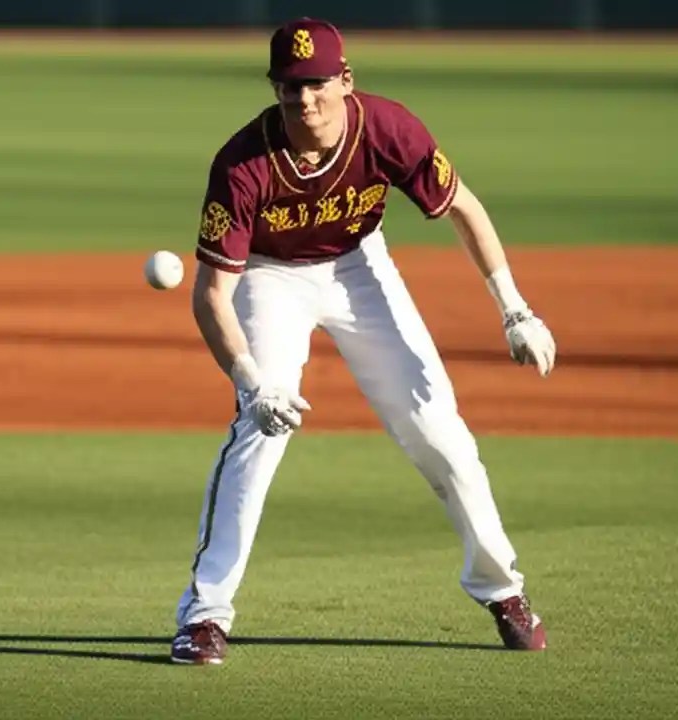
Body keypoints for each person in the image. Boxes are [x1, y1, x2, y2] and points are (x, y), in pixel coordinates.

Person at [170, 17, 557, 666]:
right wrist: (251, 382)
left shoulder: (387, 129)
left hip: (357, 265)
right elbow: (211, 295)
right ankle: (205, 616)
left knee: (439, 430)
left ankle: (503, 591)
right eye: (290, 87)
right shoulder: (242, 166)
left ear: (345, 80)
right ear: (275, 90)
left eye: (318, 83)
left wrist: (514, 309)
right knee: (260, 432)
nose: (305, 99)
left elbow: (464, 207)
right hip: (268, 277)